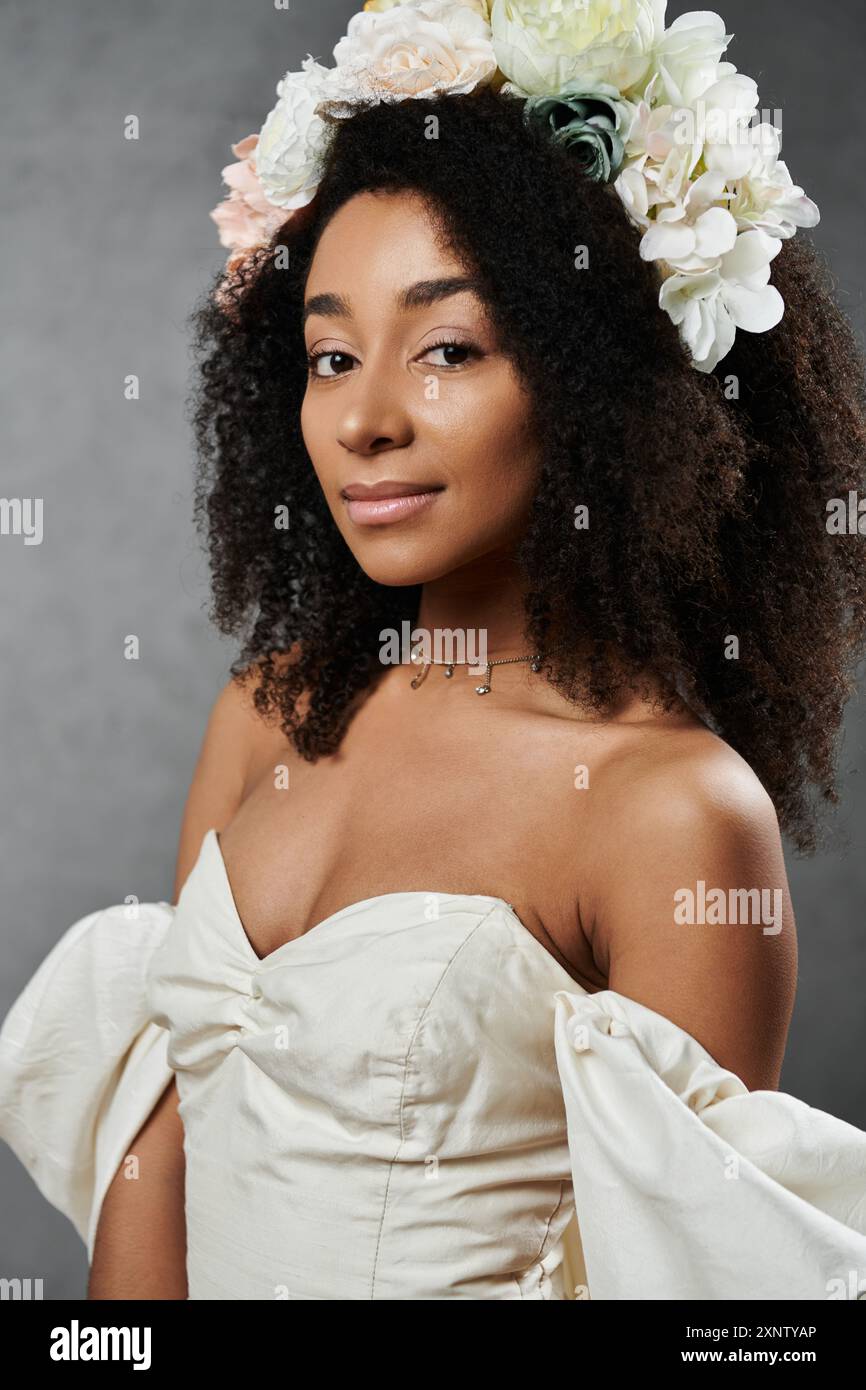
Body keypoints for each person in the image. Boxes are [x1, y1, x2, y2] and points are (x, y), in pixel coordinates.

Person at [3, 0, 866, 1301]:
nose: (365, 419)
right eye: (331, 354)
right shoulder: (270, 712)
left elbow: (695, 1296)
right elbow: (158, 1162)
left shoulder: (670, 810)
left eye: (447, 348)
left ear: (595, 381)